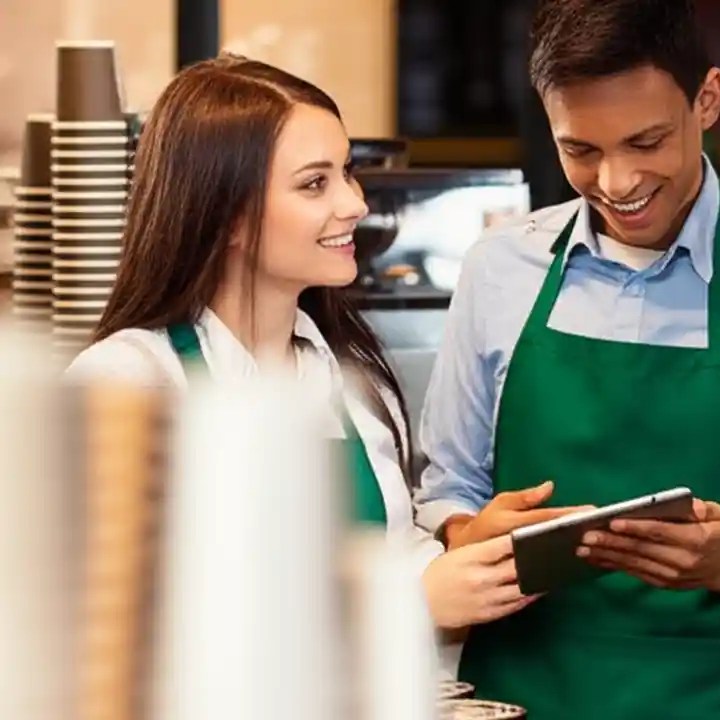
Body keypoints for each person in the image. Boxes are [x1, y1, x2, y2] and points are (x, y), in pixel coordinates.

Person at [416, 0, 720, 716]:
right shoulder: (500, 269)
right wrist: (471, 532)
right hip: (515, 698)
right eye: (581, 151)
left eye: (646, 142)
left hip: (711, 701)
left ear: (708, 100)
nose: (617, 182)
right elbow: (447, 491)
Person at [63, 54, 536, 632]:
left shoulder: (354, 386)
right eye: (316, 183)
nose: (355, 204)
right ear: (227, 216)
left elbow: (390, 562)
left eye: (346, 172)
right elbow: (118, 623)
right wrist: (402, 607)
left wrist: (462, 552)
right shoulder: (129, 382)